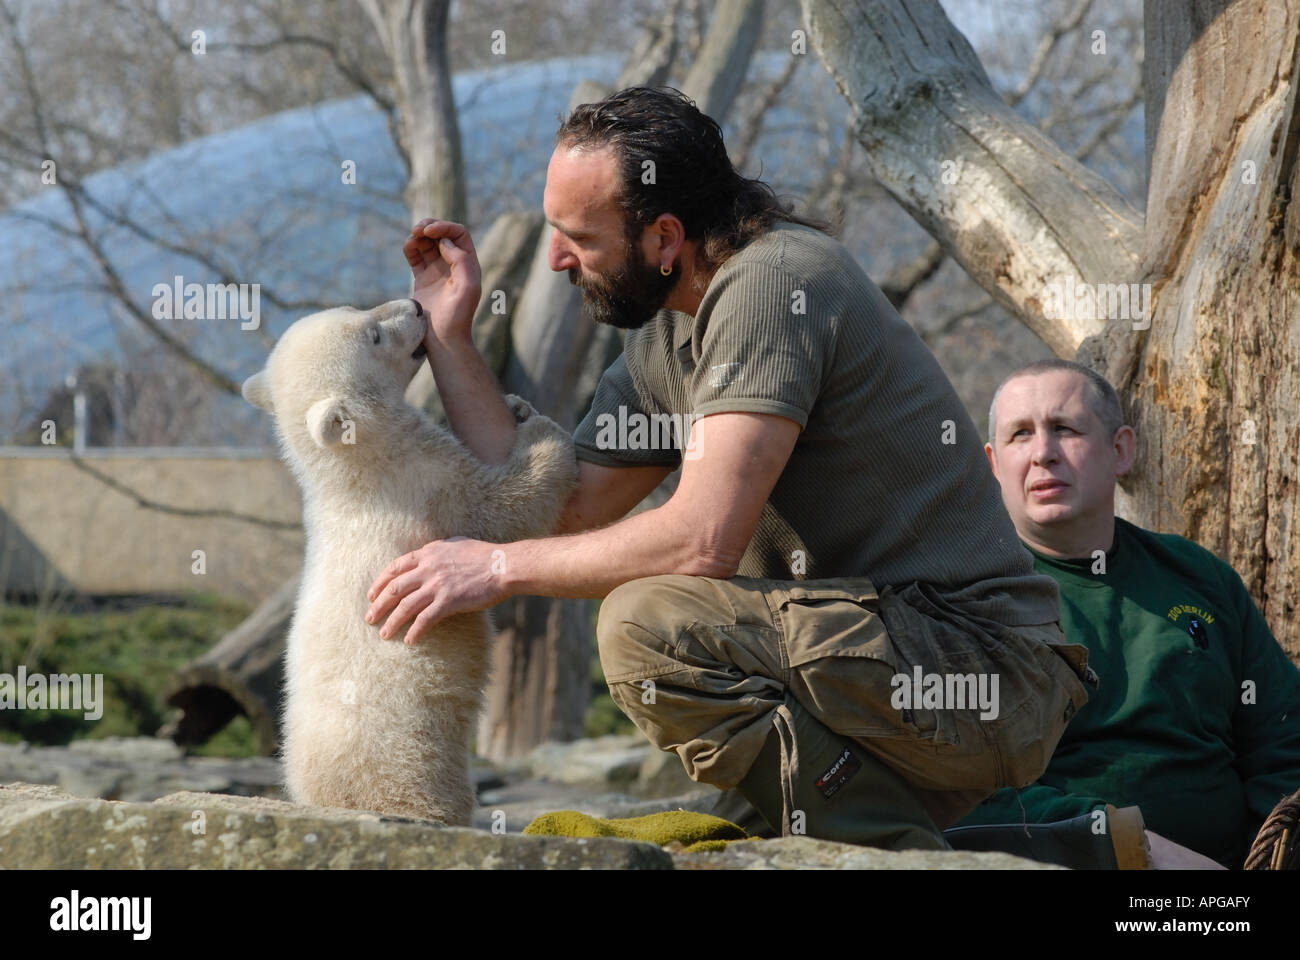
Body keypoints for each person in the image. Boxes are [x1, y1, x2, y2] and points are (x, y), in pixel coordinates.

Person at [362, 86, 1094, 850]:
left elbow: (702, 540)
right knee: (702, 846)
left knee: (647, 626)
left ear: (665, 237)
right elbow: (561, 506)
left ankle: (908, 866)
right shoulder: (663, 338)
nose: (557, 258)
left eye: (579, 235)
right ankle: (1093, 853)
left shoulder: (774, 285)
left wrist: (498, 568)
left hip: (979, 673)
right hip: (854, 685)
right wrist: (450, 337)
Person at [955, 358, 1300, 868]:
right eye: (1020, 436)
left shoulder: (1198, 576)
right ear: (993, 463)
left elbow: (1283, 737)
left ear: (1121, 450)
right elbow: (959, 791)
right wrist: (1129, 845)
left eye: (1065, 429)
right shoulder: (962, 599)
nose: (1043, 454)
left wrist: (1269, 852)